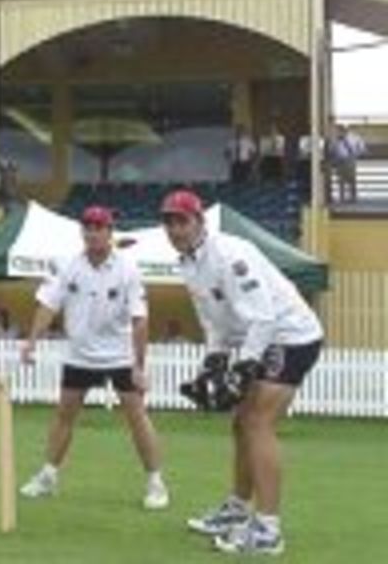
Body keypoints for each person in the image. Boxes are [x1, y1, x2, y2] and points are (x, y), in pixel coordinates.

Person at [160, 189, 324, 555]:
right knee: (241, 423)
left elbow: (263, 317)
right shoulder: (189, 262)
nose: (175, 229)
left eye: (182, 220)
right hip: (265, 339)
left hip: (292, 336)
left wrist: (244, 367)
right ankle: (237, 510)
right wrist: (214, 362)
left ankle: (268, 530)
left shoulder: (229, 254)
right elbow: (214, 320)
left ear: (200, 221)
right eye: (168, 222)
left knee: (256, 423)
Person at [18, 205, 170, 511]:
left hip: (119, 355)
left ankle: (156, 482)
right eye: (87, 227)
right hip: (79, 355)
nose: (92, 233)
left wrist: (139, 367)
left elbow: (140, 320)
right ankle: (49, 476)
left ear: (110, 233)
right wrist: (31, 342)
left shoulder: (127, 269)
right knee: (64, 415)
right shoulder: (68, 265)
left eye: (99, 228)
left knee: (137, 417)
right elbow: (48, 305)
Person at [329, 124, 366, 203]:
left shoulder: (354, 138)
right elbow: (332, 150)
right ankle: (342, 198)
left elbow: (361, 148)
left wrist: (356, 154)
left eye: (339, 131)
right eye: (337, 131)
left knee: (351, 179)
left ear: (344, 131)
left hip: (349, 159)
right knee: (340, 180)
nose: (338, 133)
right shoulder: (335, 139)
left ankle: (353, 197)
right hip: (340, 160)